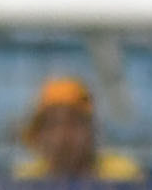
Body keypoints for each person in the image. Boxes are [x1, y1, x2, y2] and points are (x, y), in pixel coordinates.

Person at [12, 76, 141, 182]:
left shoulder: (122, 178)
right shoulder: (26, 181)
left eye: (73, 124)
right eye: (52, 125)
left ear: (91, 129)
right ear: (39, 135)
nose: (63, 136)